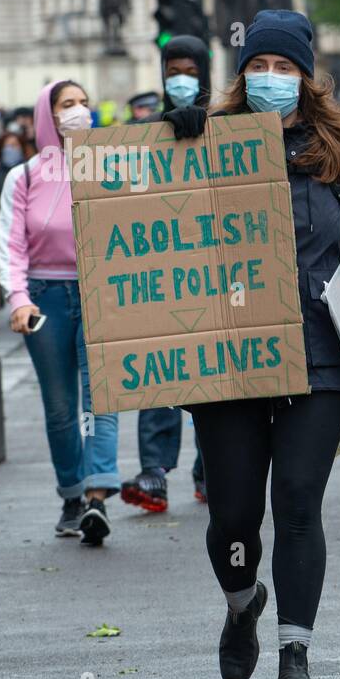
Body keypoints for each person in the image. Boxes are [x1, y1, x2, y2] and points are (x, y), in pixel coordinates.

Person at [169, 10, 340, 679]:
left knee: (299, 502)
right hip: (230, 358)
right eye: (260, 67)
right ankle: (242, 603)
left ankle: (295, 658)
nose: (272, 80)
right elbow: (142, 219)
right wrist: (173, 131)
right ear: (241, 74)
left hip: (321, 359)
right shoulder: (202, 144)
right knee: (234, 519)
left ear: (307, 76)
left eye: (285, 68)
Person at [0, 80, 121, 544]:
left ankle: (97, 497)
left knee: (102, 399)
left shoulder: (110, 166)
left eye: (85, 103)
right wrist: (19, 300)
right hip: (45, 300)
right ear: (48, 115)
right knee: (62, 407)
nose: (80, 112)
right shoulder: (23, 177)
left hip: (100, 293)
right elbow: (10, 245)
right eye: (68, 104)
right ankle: (72, 492)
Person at [119, 35, 212, 513]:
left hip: (217, 275)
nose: (182, 81)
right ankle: (154, 469)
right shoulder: (144, 132)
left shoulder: (233, 127)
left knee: (218, 377)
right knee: (162, 370)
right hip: (162, 277)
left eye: (191, 73)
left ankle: (210, 469)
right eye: (173, 71)